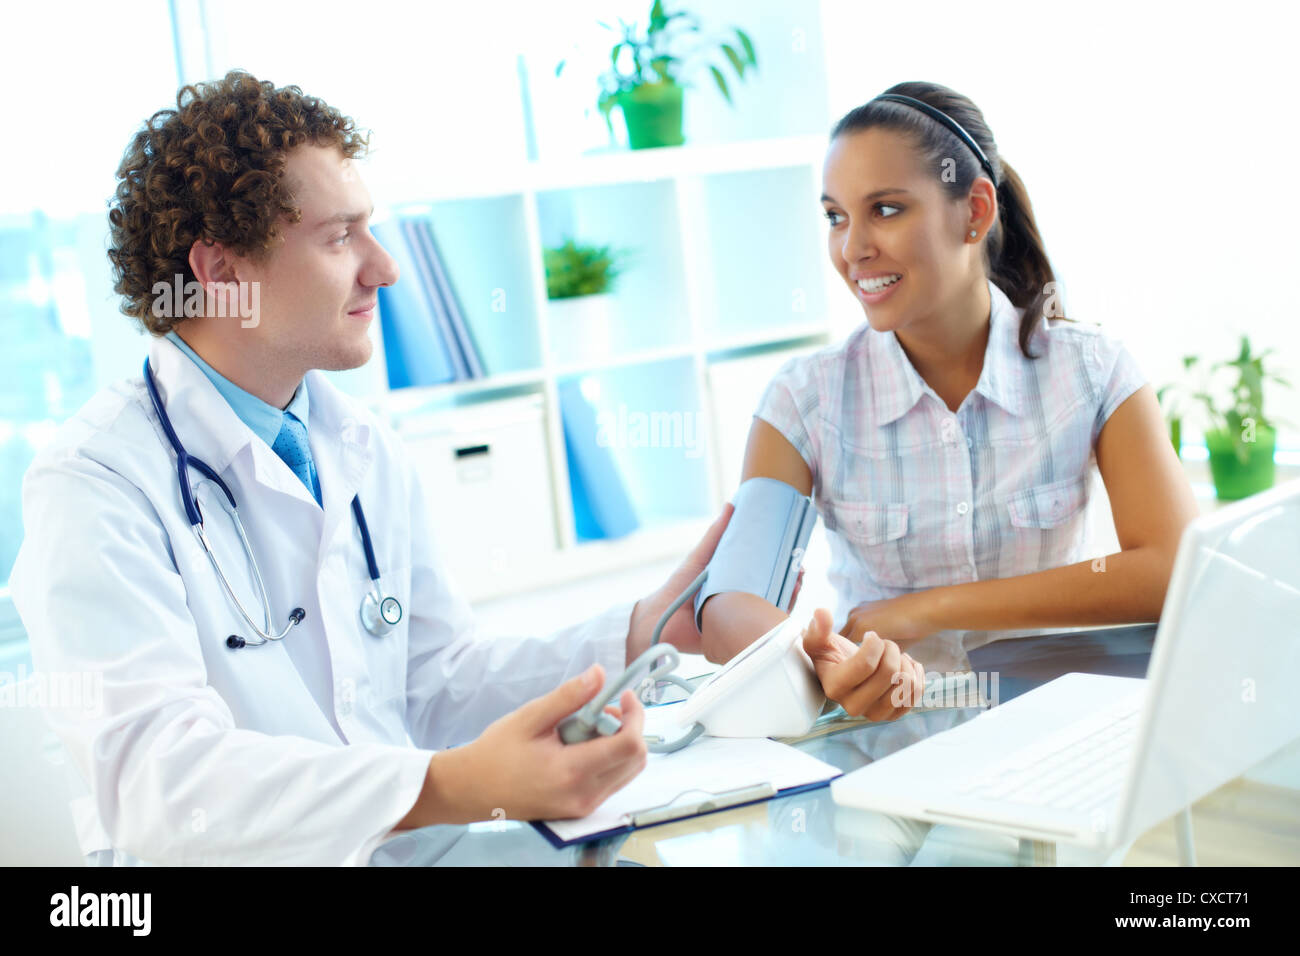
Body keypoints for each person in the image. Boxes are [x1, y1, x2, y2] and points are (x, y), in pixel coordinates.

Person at [9, 71, 920, 866]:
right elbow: (158, 781)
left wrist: (644, 632)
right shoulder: (95, 484)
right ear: (219, 271)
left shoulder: (356, 442)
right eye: (340, 239)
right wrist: (446, 786)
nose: (387, 268)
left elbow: (435, 681)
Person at [699, 81, 1198, 703]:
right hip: (885, 744)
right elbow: (729, 606)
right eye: (835, 217)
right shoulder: (805, 402)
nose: (852, 248)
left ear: (975, 211)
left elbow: (1175, 565)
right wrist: (819, 659)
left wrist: (924, 610)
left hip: (1056, 729)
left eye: (885, 209)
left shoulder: (1092, 372)